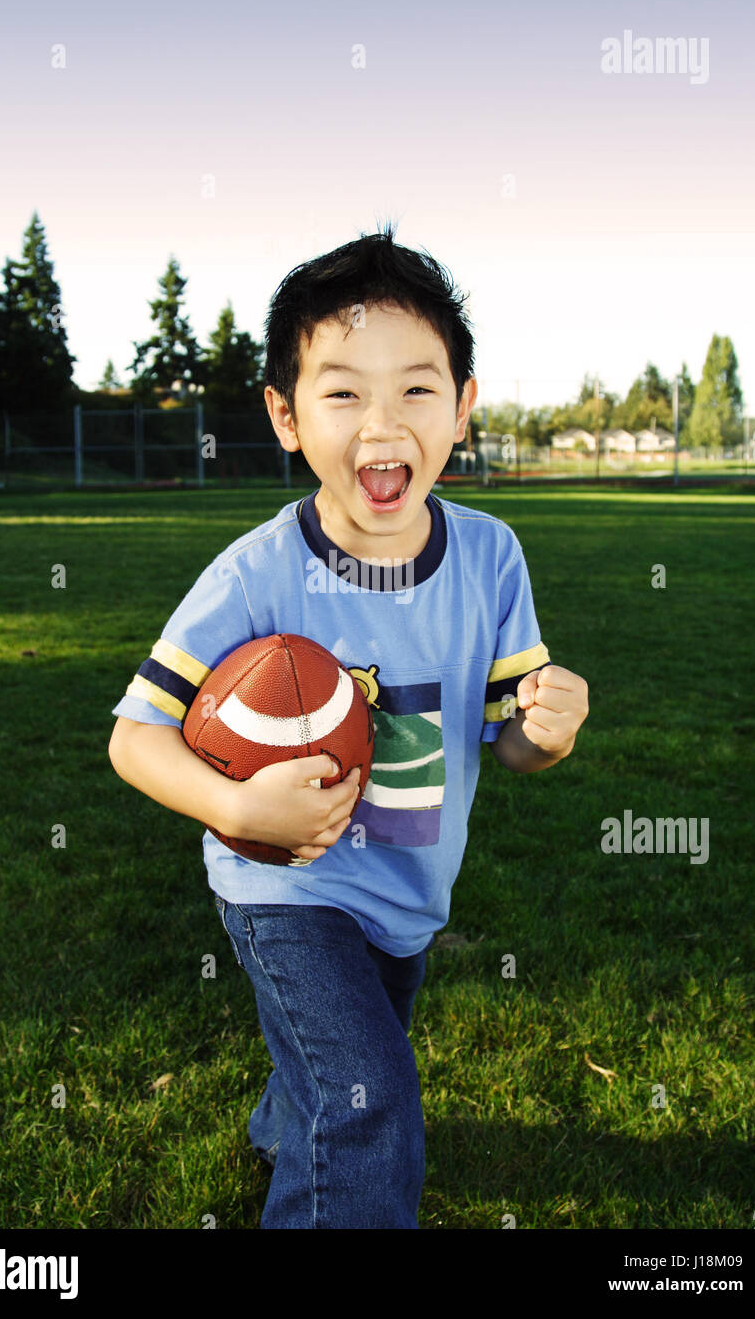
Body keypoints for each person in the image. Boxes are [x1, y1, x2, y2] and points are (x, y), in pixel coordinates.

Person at [107, 222, 589, 1229]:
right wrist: (239, 803)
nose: (382, 421)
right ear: (285, 416)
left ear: (461, 407)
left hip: (408, 893)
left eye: (416, 388)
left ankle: (286, 1120)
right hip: (283, 886)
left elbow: (505, 741)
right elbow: (134, 734)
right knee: (373, 1104)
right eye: (342, 392)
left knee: (339, 1065)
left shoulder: (492, 557)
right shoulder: (253, 573)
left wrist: (541, 737)